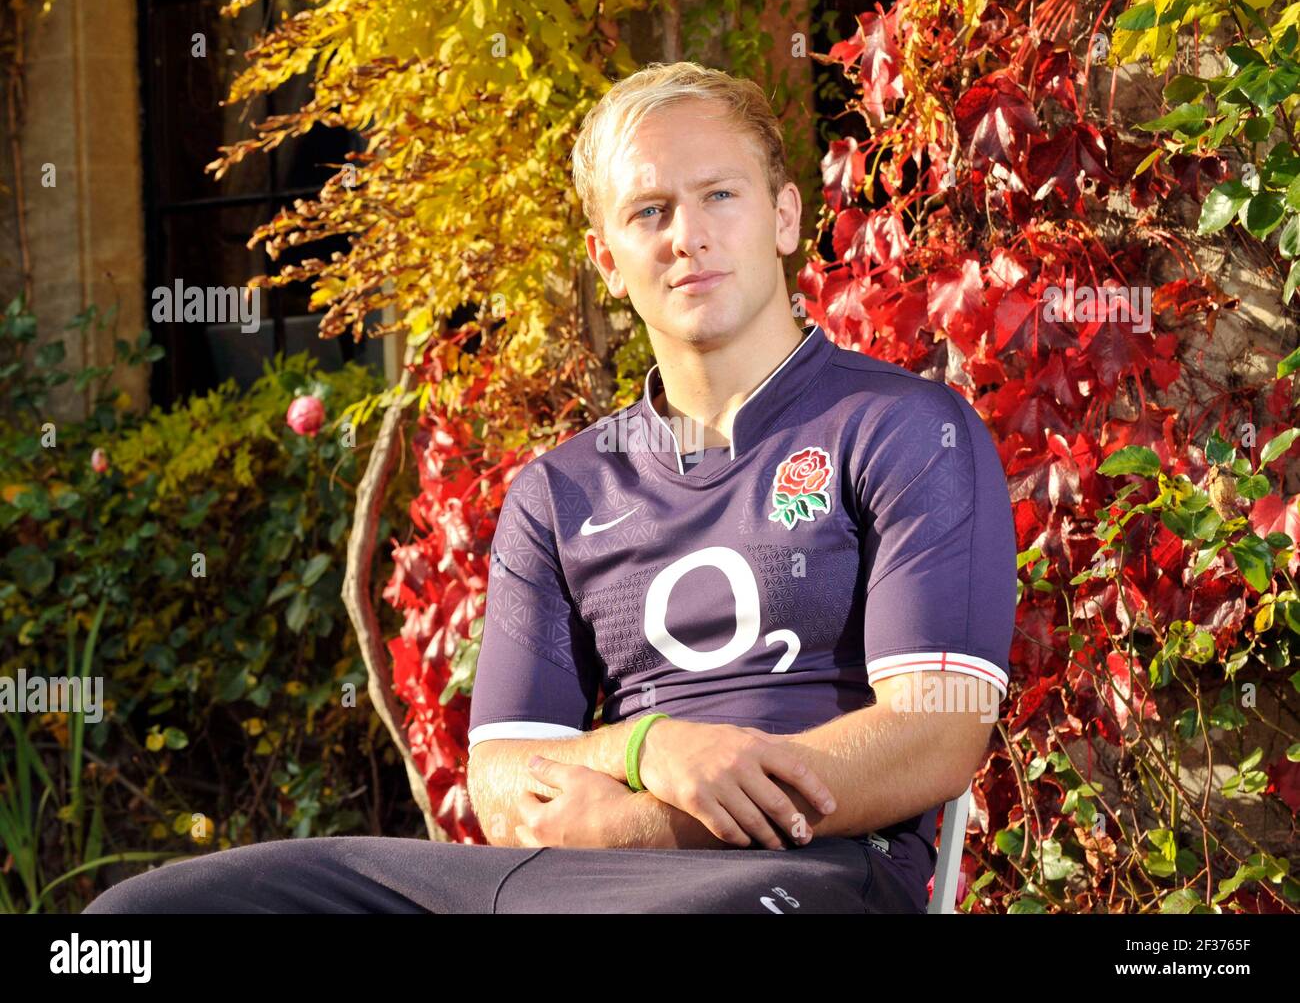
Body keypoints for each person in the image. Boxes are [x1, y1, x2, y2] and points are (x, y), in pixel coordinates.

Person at [84, 61, 1016, 915]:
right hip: (571, 880)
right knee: (151, 921)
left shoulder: (904, 431)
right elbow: (500, 779)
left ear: (782, 217)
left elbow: (933, 739)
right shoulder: (561, 491)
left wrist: (638, 824)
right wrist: (645, 749)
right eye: (647, 211)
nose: (686, 236)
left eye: (719, 196)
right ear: (607, 259)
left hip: (812, 869)